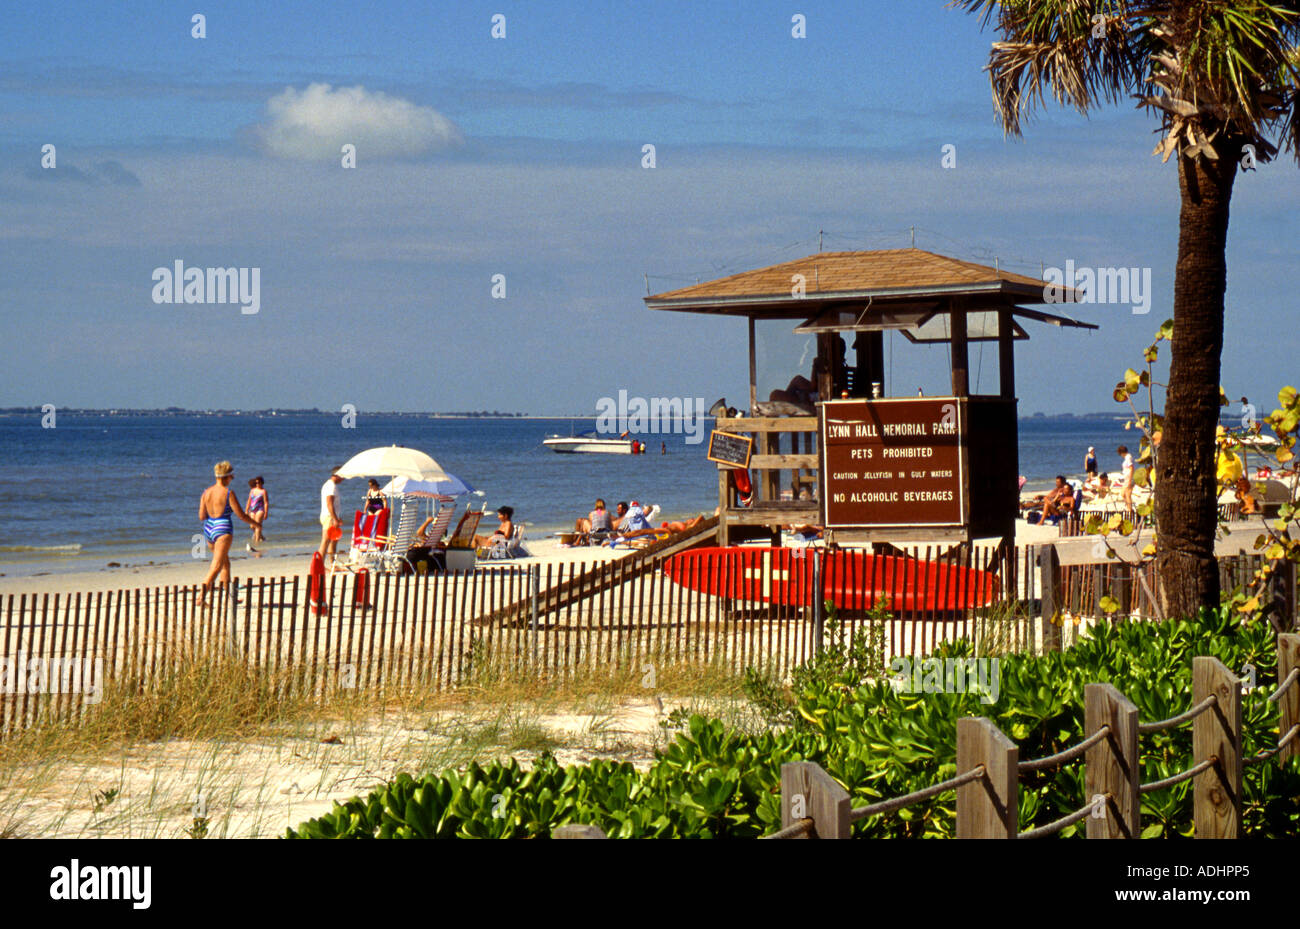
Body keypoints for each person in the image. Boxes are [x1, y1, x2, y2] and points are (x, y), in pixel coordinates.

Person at [198, 461, 256, 606]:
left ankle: (230, 598)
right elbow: (241, 515)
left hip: (209, 528)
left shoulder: (206, 493)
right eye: (232, 476)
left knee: (225, 564)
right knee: (217, 565)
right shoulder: (228, 493)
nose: (232, 478)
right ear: (226, 477)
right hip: (223, 528)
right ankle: (200, 596)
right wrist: (256, 524)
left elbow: (201, 516)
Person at [318, 466, 345, 568]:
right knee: (325, 542)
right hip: (329, 517)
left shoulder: (330, 485)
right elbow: (329, 504)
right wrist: (334, 518)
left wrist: (337, 517)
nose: (343, 479)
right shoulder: (330, 486)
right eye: (342, 477)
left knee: (333, 541)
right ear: (337, 475)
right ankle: (320, 566)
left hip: (331, 516)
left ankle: (333, 564)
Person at [245, 476, 269, 551]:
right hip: (252, 510)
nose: (257, 484)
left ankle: (257, 544)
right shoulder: (252, 490)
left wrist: (266, 512)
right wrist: (246, 510)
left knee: (258, 526)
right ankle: (262, 537)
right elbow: (249, 500)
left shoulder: (263, 491)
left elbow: (266, 503)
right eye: (256, 483)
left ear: (262, 483)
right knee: (252, 526)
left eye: (258, 482)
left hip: (260, 509)